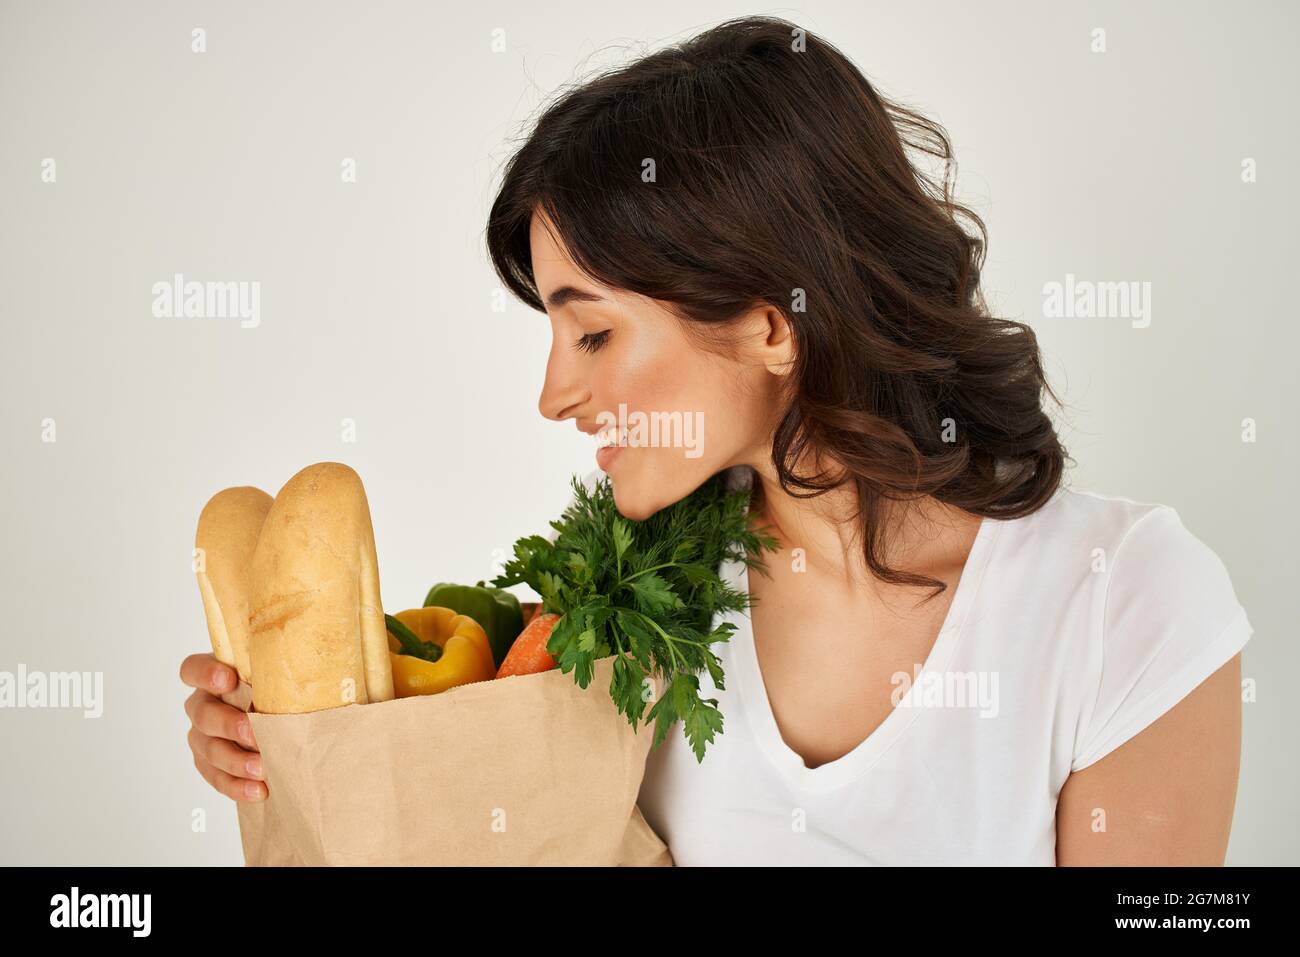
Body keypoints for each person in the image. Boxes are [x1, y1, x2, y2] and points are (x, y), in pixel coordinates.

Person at [182, 15, 1252, 864]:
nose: (555, 395)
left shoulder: (1122, 602)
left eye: (593, 331)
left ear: (768, 323)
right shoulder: (619, 610)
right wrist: (292, 744)